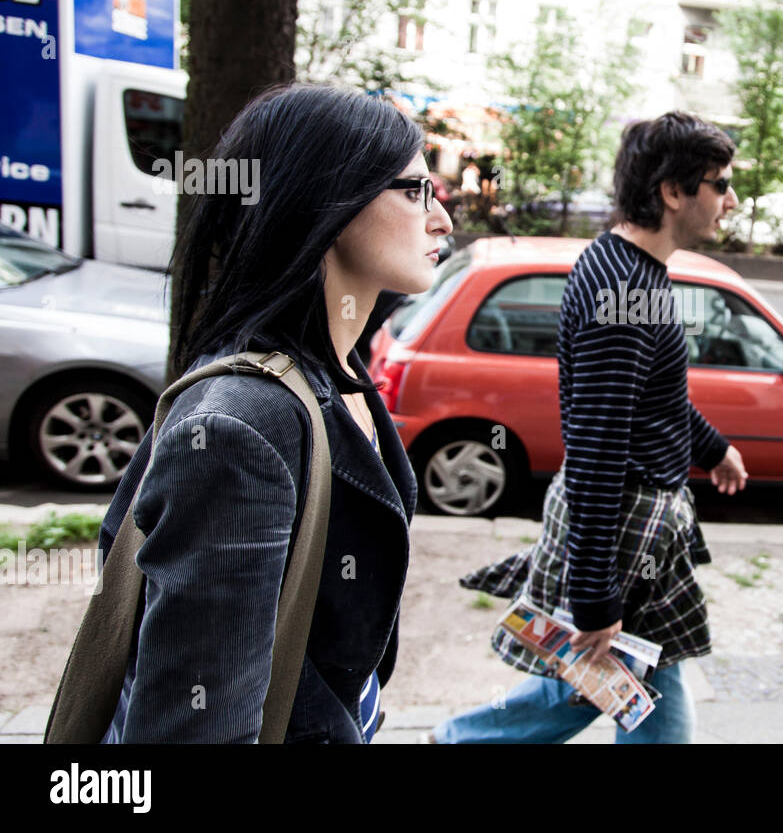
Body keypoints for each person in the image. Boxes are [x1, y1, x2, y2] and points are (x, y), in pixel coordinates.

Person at [97, 83, 453, 742]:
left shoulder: (344, 383)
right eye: (413, 191)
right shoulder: (241, 428)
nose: (443, 220)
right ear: (325, 201)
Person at [429, 111, 747, 744]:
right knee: (598, 674)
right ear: (673, 192)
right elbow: (599, 449)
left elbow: (653, 400)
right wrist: (596, 599)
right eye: (719, 183)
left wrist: (715, 448)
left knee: (623, 680)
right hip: (624, 521)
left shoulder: (629, 271)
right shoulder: (623, 289)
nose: (730, 200)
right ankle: (459, 741)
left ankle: (458, 741)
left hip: (643, 525)